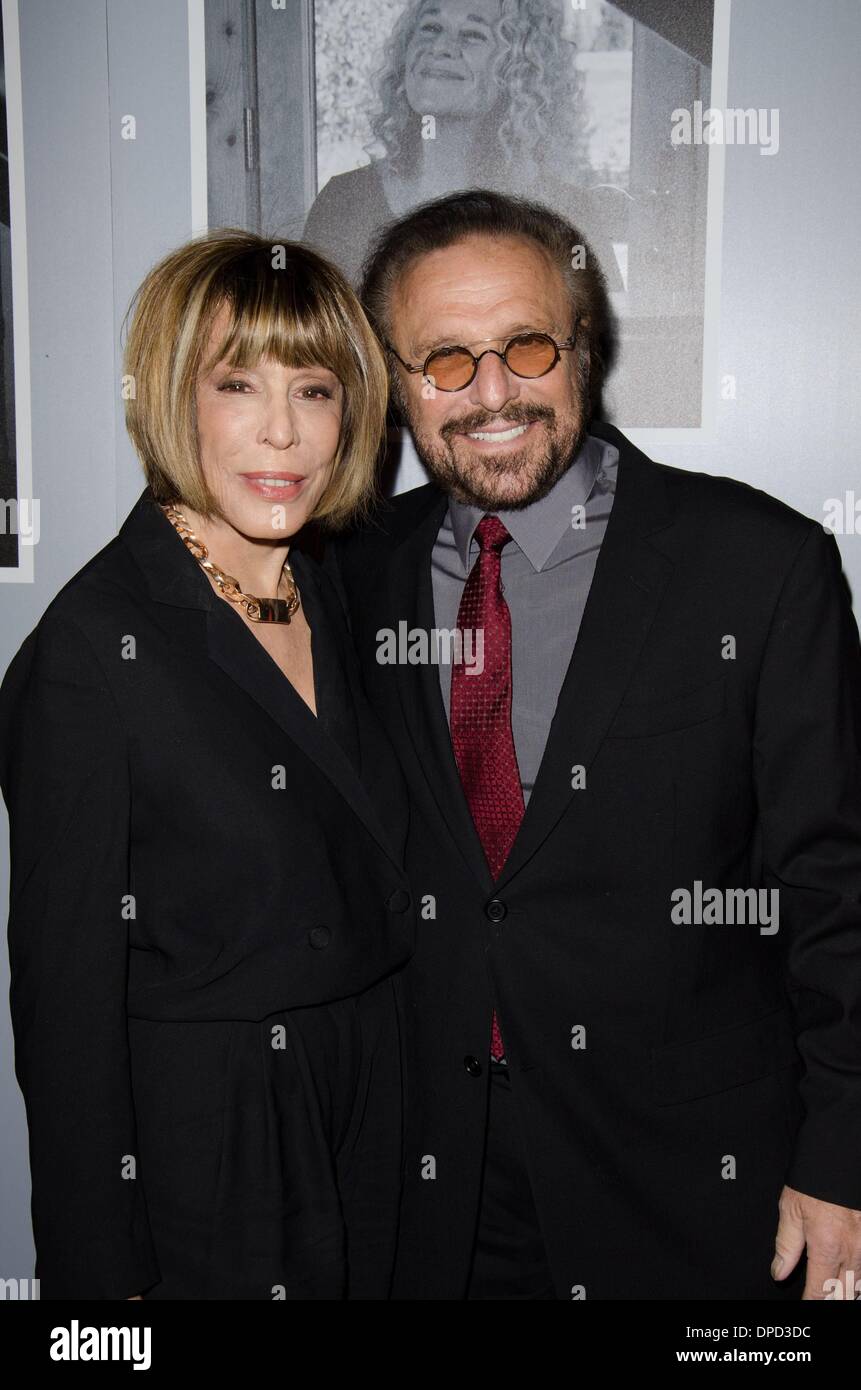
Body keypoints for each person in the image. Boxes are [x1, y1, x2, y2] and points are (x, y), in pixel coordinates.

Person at [326, 188, 861, 1300]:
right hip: (427, 1188)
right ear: (396, 382)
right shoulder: (346, 574)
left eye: (527, 346)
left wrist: (843, 1161)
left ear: (583, 350)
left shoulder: (758, 567)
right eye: (445, 360)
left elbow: (839, 889)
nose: (491, 393)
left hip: (690, 1193)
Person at [0, 230, 415, 1300]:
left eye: (315, 389)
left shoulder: (337, 588)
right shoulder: (92, 654)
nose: (281, 430)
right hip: (217, 1157)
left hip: (373, 1119)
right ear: (172, 399)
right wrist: (97, 1299)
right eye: (238, 383)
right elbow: (66, 1011)